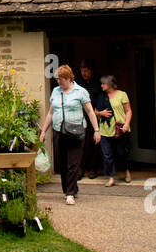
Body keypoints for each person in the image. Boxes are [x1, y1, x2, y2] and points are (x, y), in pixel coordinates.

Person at [38, 64, 101, 205]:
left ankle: (70, 193)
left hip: (76, 131)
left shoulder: (81, 91)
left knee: (73, 163)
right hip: (59, 131)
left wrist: (96, 130)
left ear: (69, 78)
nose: (59, 82)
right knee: (63, 163)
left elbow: (90, 111)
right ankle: (69, 188)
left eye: (62, 79)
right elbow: (50, 113)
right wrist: (43, 131)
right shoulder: (55, 91)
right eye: (58, 79)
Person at [95, 74, 132, 185]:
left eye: (103, 83)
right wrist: (100, 113)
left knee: (122, 153)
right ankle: (111, 177)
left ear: (110, 84)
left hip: (120, 129)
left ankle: (126, 171)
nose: (101, 85)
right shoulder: (101, 97)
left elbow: (128, 111)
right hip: (105, 130)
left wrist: (126, 124)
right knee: (107, 154)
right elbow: (95, 111)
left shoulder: (122, 95)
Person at [76, 61, 103, 178]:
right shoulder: (78, 82)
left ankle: (93, 169)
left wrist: (100, 111)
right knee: (81, 144)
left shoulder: (98, 83)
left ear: (91, 71)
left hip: (95, 117)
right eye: (82, 70)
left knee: (94, 143)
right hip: (81, 117)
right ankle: (80, 169)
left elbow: (102, 97)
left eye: (86, 70)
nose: (83, 73)